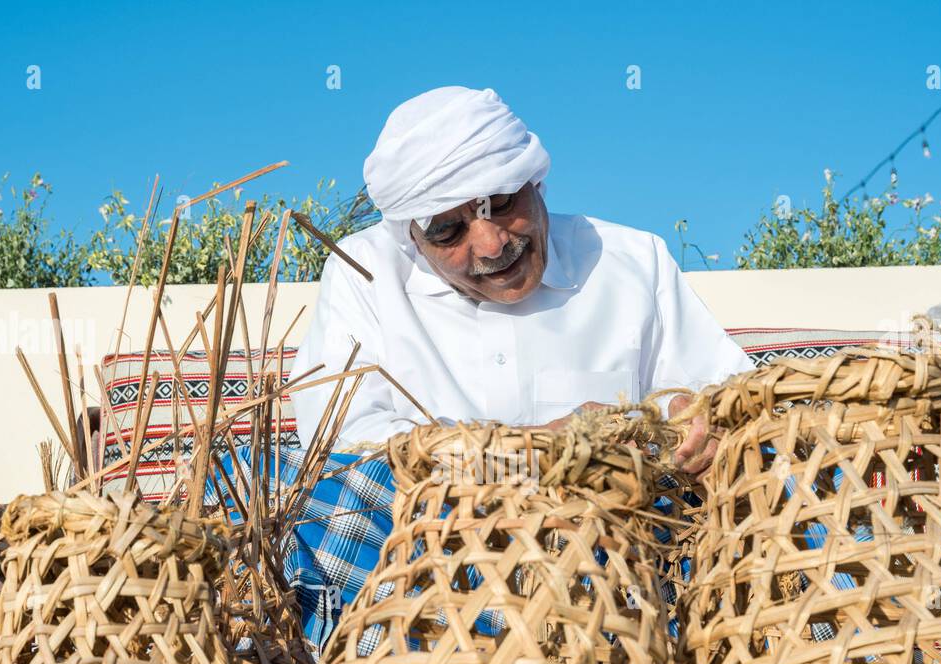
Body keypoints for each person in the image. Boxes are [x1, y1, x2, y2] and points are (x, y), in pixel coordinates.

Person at [293, 85, 753, 475]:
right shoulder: (363, 272)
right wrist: (530, 450)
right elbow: (340, 442)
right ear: (412, 238)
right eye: (449, 231)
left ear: (533, 182)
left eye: (503, 203)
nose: (492, 245)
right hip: (428, 549)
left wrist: (704, 422)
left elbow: (726, 394)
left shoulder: (633, 260)